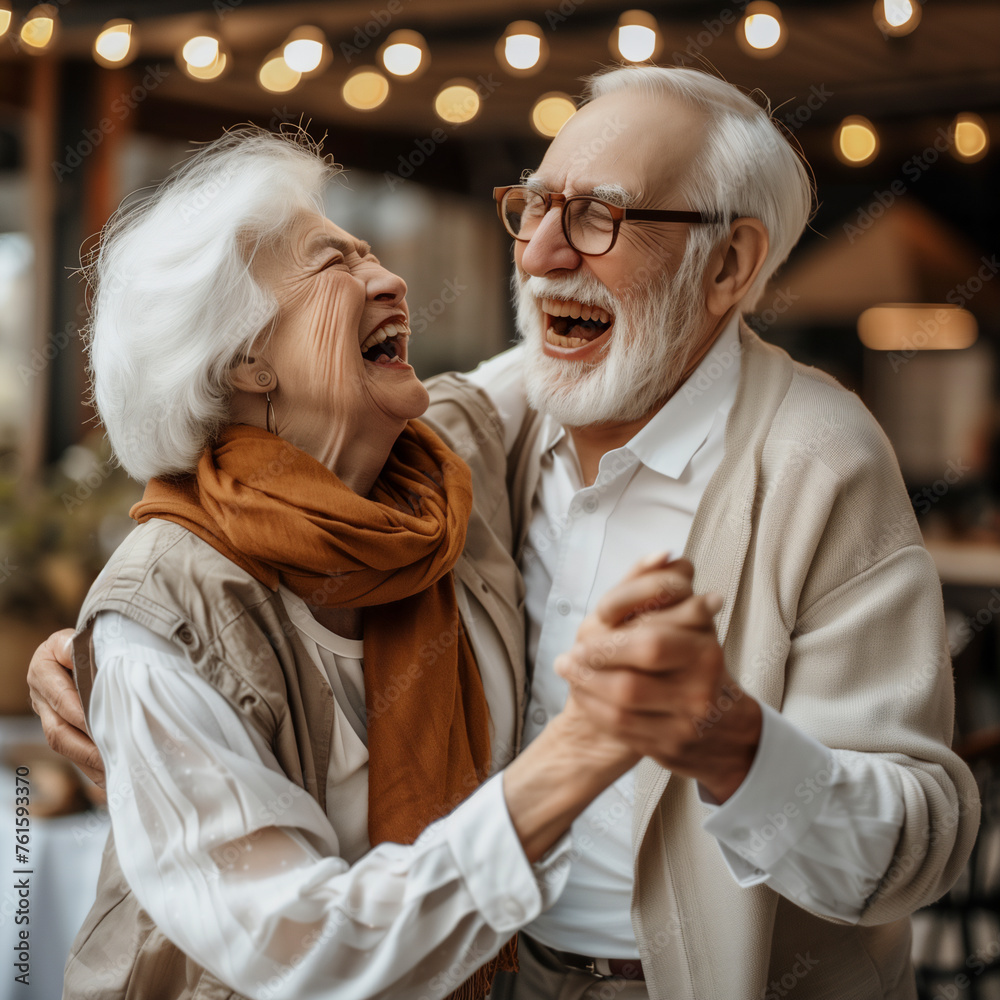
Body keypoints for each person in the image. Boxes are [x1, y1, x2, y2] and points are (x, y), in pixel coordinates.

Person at [30, 67, 979, 999]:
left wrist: (733, 745)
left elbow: (919, 849)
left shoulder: (815, 457)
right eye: (533, 206)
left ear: (727, 264)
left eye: (599, 216)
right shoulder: (475, 435)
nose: (540, 254)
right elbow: (248, 509)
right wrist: (119, 645)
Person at [34, 124, 720, 1000]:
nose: (390, 279)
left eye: (372, 255)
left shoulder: (450, 464)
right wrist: (579, 754)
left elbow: (604, 346)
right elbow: (305, 951)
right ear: (244, 356)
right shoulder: (158, 614)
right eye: (336, 265)